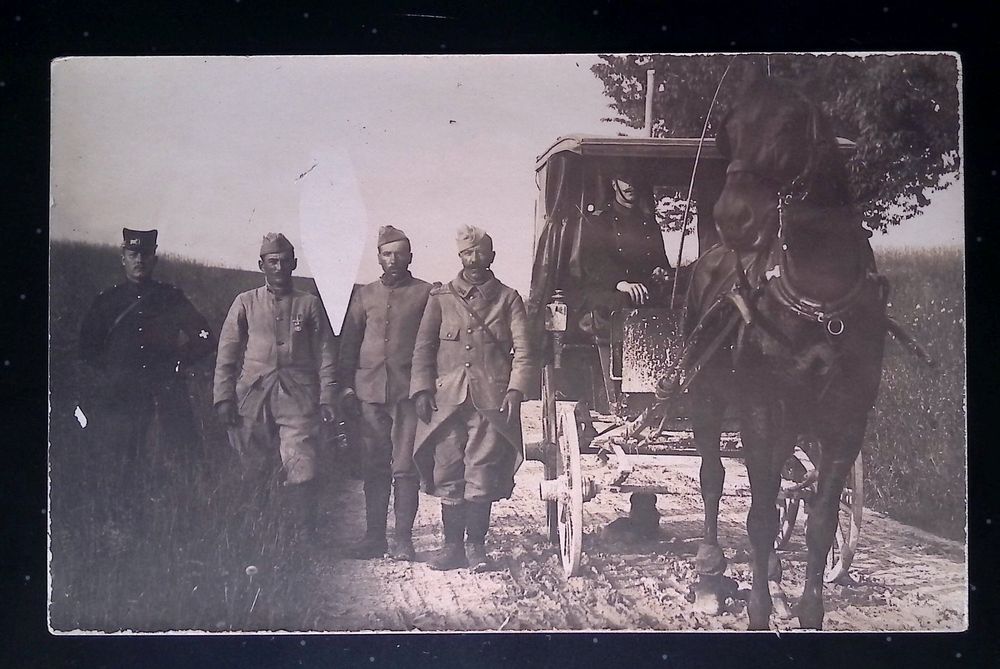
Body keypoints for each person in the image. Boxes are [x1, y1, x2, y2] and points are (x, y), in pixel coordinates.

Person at [410, 225, 535, 572]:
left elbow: (524, 351)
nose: (474, 260)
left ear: (492, 257)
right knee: (448, 470)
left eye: (481, 253)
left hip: (490, 401)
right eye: (467, 254)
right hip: (446, 401)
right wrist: (421, 388)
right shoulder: (441, 298)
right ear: (459, 256)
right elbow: (423, 349)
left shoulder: (508, 298)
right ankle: (452, 548)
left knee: (480, 472)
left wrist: (515, 389)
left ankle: (476, 547)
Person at [213, 233, 337, 561]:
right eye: (272, 262)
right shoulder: (245, 302)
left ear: (294, 264)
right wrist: (223, 398)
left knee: (301, 462)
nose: (279, 267)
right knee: (251, 465)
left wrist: (326, 397)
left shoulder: (308, 303)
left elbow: (326, 352)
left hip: (298, 395)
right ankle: (256, 535)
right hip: (252, 395)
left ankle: (305, 538)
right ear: (261, 265)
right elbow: (227, 352)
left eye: (285, 261)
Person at [78, 227, 216, 519]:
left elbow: (204, 337)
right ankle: (123, 517)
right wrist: (115, 372)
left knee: (182, 455)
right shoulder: (107, 301)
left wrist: (180, 361)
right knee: (122, 461)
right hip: (123, 394)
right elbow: (87, 349)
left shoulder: (170, 298)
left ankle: (188, 515)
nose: (139, 260)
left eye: (145, 254)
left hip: (167, 390)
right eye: (133, 253)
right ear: (123, 257)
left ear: (154, 258)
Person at [338, 225, 432, 561]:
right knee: (374, 465)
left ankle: (404, 541)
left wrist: (426, 387)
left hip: (408, 394)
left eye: (399, 253)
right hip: (370, 394)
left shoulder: (425, 293)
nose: (393, 260)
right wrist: (346, 386)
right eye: (386, 253)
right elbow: (349, 343)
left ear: (410, 256)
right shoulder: (364, 295)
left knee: (405, 467)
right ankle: (374, 538)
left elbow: (431, 343)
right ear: (378, 257)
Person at [593, 177, 673, 308]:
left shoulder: (650, 223)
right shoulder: (600, 221)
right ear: (614, 184)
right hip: (614, 293)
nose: (630, 183)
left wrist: (660, 270)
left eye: (633, 178)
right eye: (624, 179)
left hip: (648, 294)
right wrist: (620, 283)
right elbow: (595, 264)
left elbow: (661, 261)